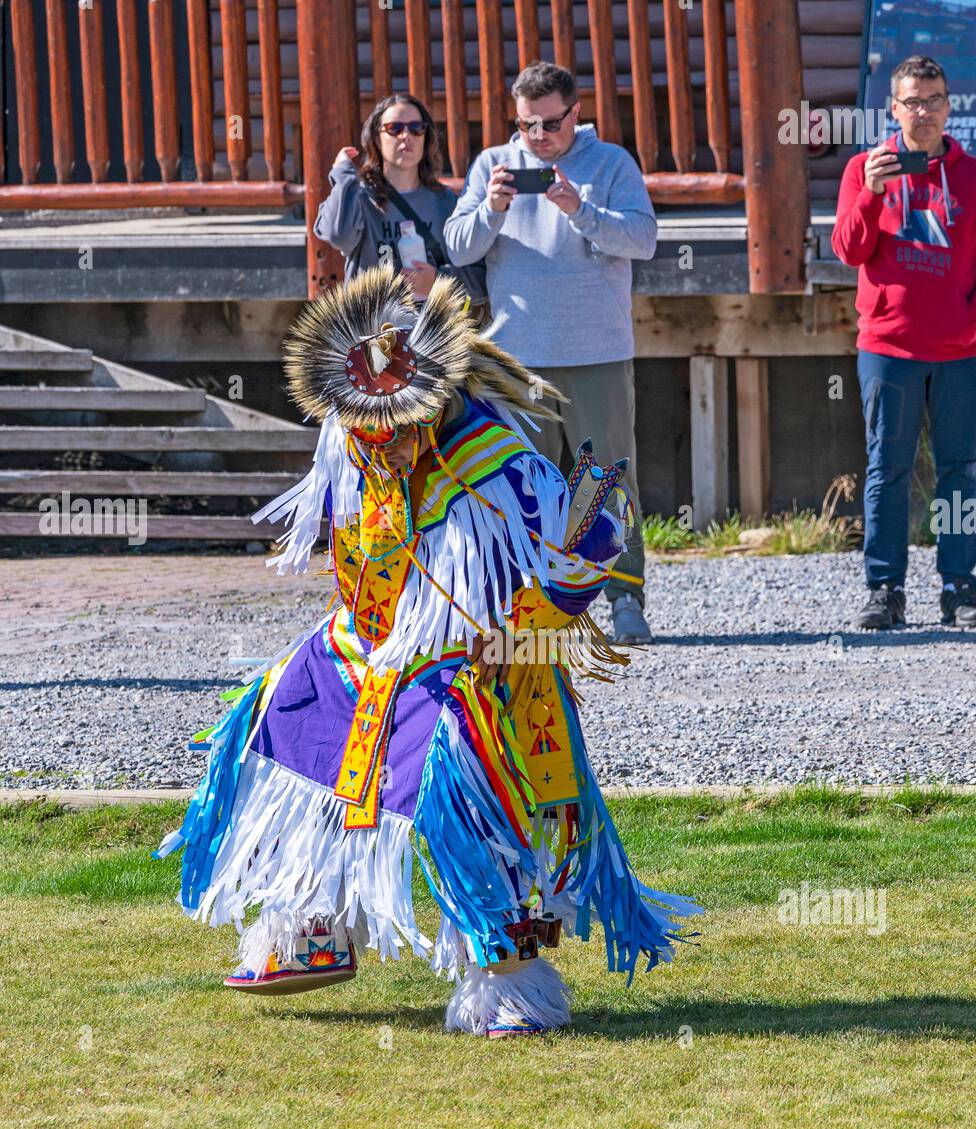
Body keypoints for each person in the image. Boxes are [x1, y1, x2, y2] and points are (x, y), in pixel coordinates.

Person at [152, 265, 699, 1038]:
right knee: (276, 712)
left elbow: (596, 534)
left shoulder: (493, 462)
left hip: (468, 661)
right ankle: (311, 926)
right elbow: (348, 540)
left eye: (398, 433)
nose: (383, 447)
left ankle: (509, 982)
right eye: (369, 431)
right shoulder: (347, 433)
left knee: (456, 773)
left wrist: (528, 625)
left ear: (433, 408)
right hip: (370, 641)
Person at [443, 61, 656, 646]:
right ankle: (522, 603)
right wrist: (489, 208)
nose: (537, 138)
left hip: (597, 351)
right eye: (526, 125)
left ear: (576, 114)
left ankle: (624, 597)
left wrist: (578, 209)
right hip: (515, 357)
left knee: (610, 479)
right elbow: (457, 248)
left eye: (550, 124)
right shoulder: (493, 164)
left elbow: (643, 238)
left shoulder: (612, 163)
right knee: (518, 483)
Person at [832, 55, 976, 630]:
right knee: (888, 467)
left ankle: (960, 588)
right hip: (889, 347)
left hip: (963, 349)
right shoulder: (865, 168)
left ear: (948, 108)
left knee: (959, 469)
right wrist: (869, 193)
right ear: (894, 108)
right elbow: (848, 251)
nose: (924, 111)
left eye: (934, 100)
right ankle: (884, 589)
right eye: (912, 101)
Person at [313, 91, 486, 310]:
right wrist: (343, 173)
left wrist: (436, 282)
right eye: (394, 128)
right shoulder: (360, 198)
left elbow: (478, 280)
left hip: (430, 335)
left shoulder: (446, 202)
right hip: (372, 335)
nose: (406, 135)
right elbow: (339, 235)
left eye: (416, 128)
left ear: (426, 137)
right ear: (376, 138)